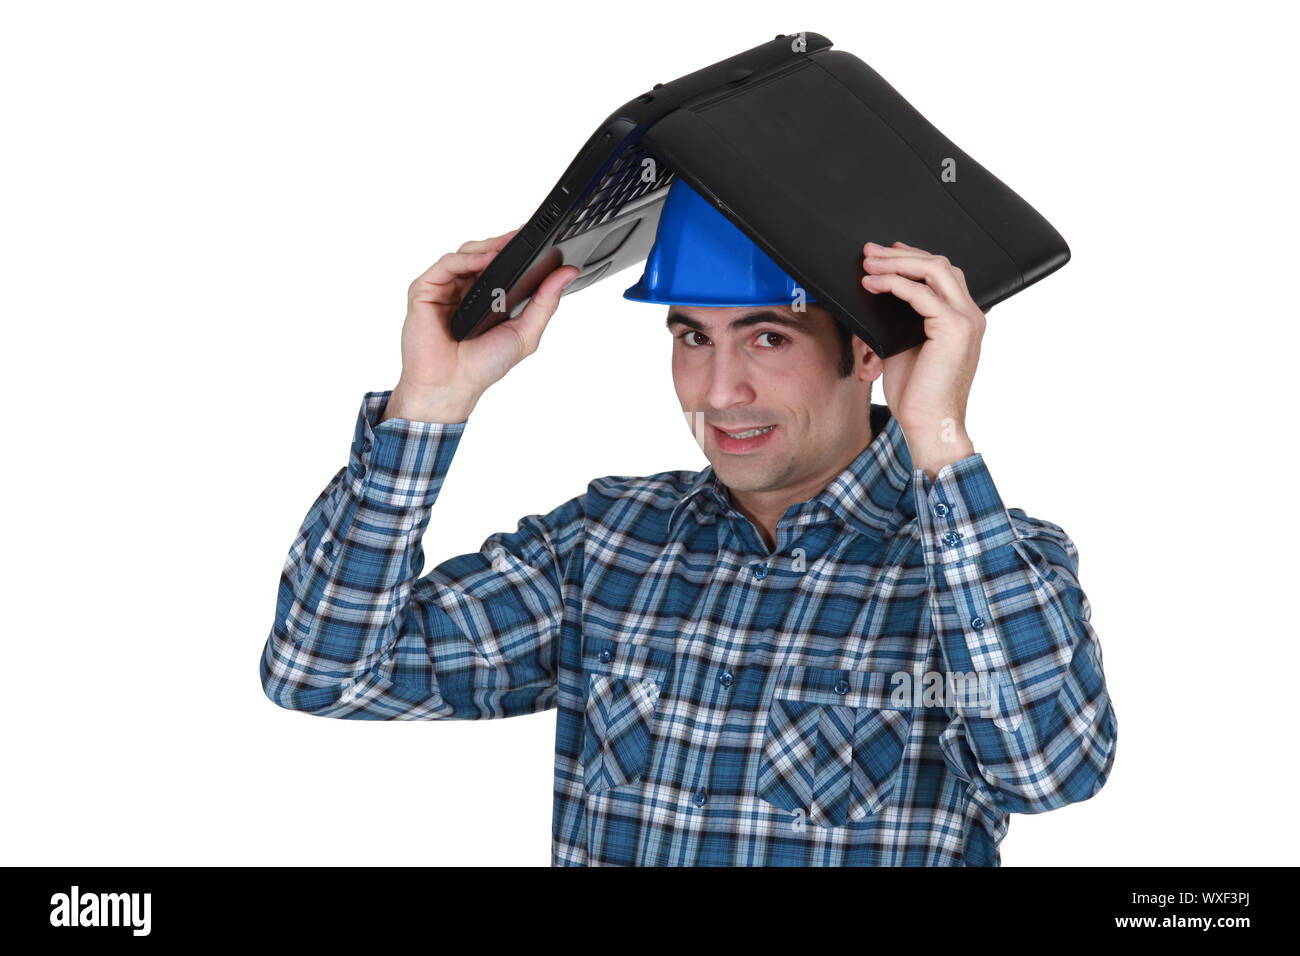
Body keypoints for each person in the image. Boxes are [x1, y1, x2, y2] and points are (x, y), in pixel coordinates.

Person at [259, 179, 1117, 866]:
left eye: (768, 339)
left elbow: (1048, 773)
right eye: (693, 338)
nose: (718, 393)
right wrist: (428, 408)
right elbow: (322, 671)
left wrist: (938, 433)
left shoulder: (984, 566)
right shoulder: (608, 541)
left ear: (868, 352)